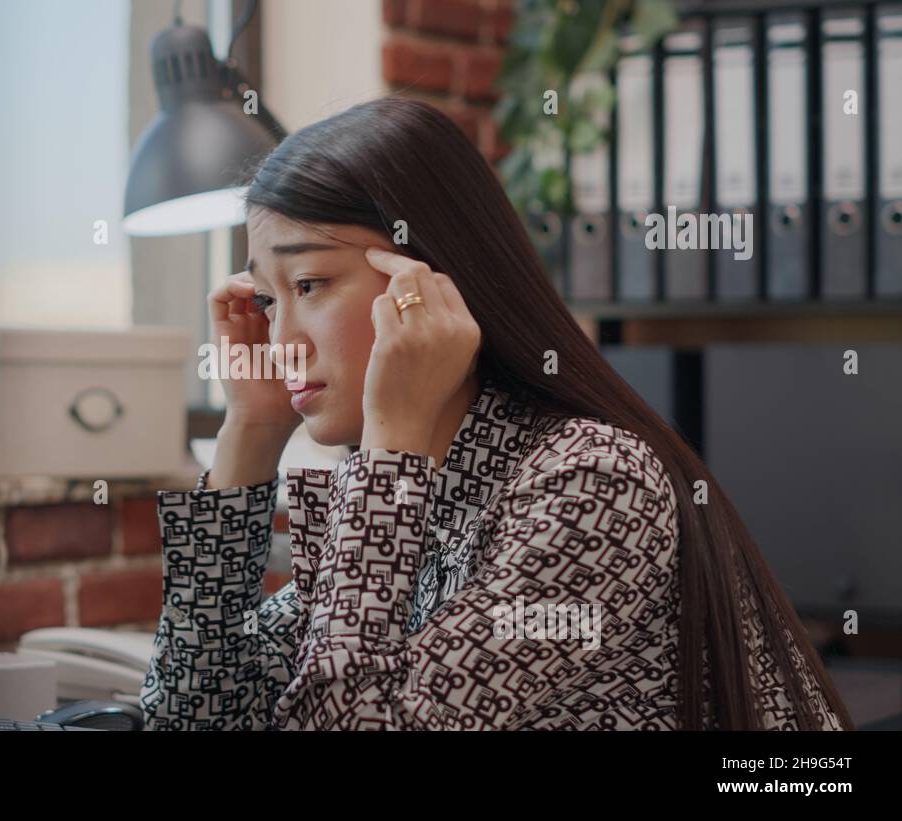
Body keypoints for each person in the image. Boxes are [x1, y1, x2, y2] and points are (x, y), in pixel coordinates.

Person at [138, 96, 853, 731]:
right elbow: (187, 716)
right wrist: (251, 431)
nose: (281, 340)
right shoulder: (414, 480)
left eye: (310, 283)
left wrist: (391, 453)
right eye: (266, 301)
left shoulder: (594, 481)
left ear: (427, 285)